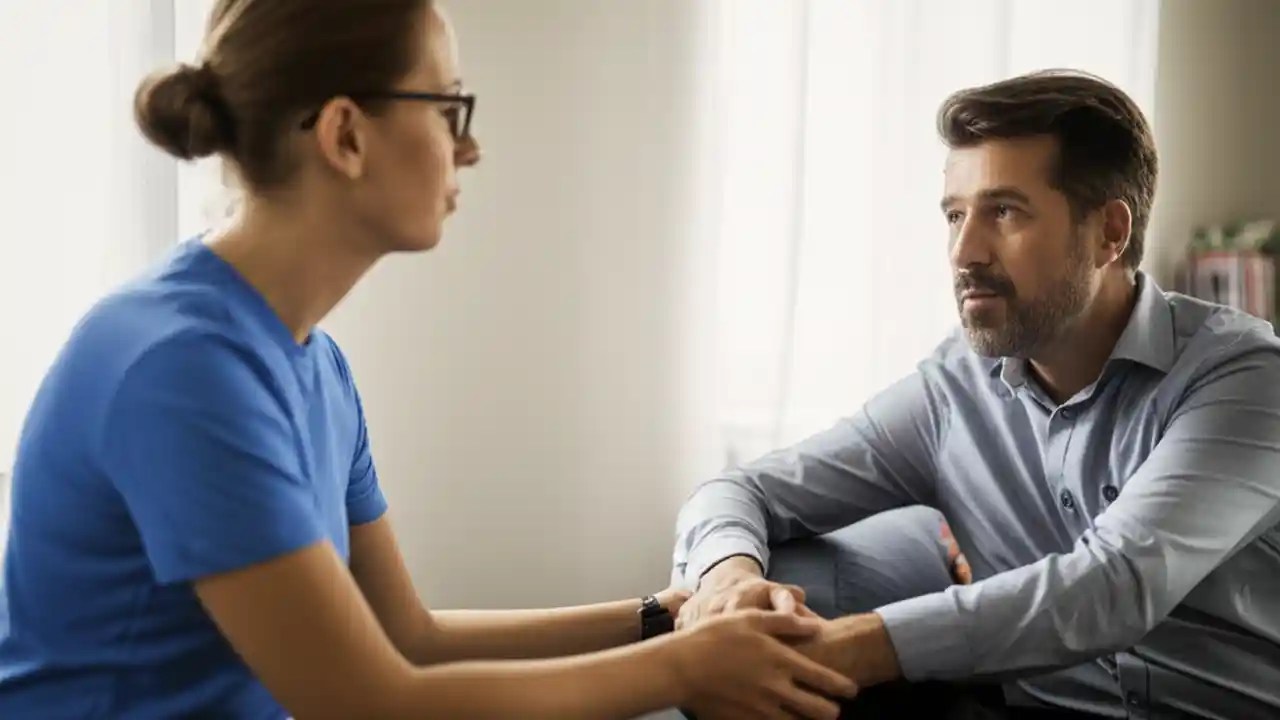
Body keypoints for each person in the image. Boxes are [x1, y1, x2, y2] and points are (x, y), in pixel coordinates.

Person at [0, 1, 858, 718]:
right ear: (345, 135)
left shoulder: (313, 362)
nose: (470, 148)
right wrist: (684, 668)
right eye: (449, 109)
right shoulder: (182, 370)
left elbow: (407, 636)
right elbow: (369, 703)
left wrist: (666, 619)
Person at [672, 70, 1280, 718]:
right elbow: (741, 492)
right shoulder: (952, 395)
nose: (964, 251)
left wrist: (830, 650)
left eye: (1004, 211)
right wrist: (728, 585)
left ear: (1110, 233)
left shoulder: (1244, 378)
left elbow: (1117, 586)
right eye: (955, 214)